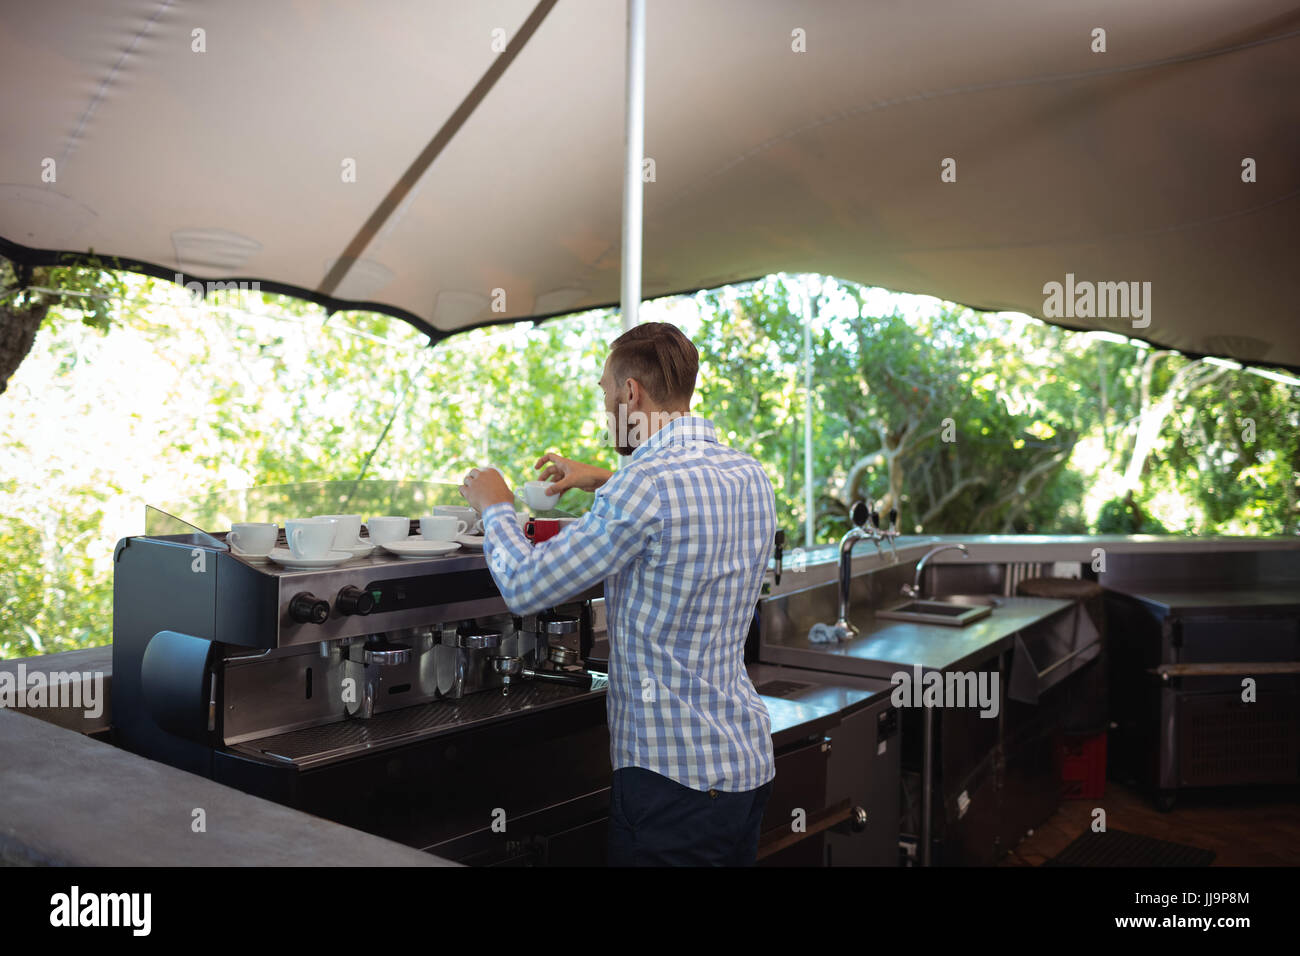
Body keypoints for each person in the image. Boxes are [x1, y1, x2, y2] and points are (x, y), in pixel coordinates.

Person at [459, 321, 776, 866]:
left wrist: (495, 505)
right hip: (743, 766)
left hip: (671, 781)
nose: (608, 409)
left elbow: (525, 585)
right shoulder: (747, 473)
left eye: (607, 394)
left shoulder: (646, 482)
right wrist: (601, 478)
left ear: (632, 393)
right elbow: (681, 513)